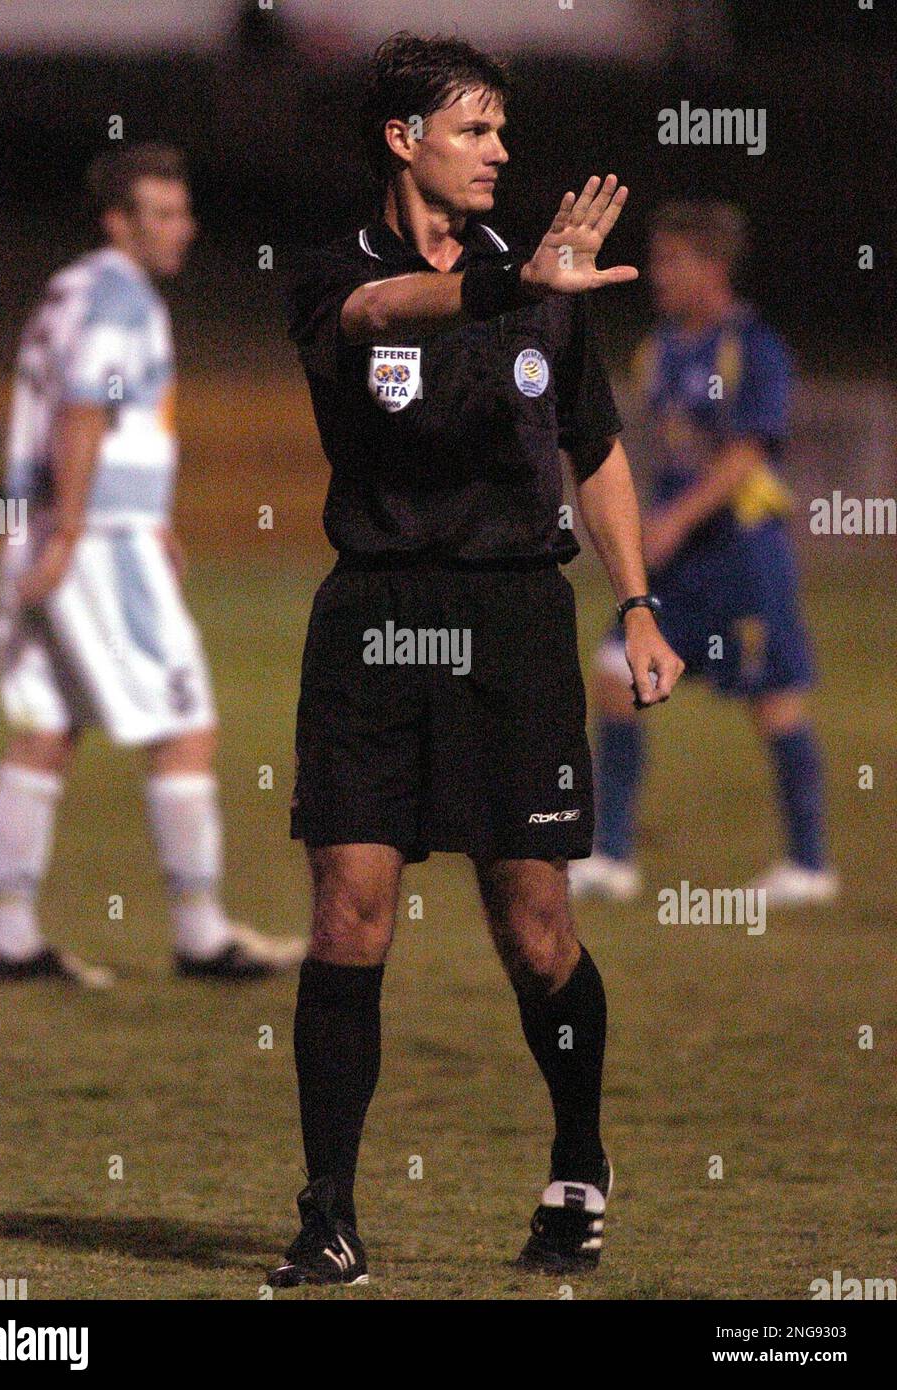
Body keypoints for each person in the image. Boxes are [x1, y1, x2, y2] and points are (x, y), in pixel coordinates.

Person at [269, 32, 683, 1286]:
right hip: (376, 623)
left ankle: (575, 1168)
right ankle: (329, 1214)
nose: (502, 150)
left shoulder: (544, 281)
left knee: (538, 931)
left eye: (504, 130)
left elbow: (594, 451)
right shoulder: (335, 266)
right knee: (347, 913)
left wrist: (639, 603)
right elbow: (386, 311)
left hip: (514, 625)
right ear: (405, 142)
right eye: (475, 130)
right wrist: (523, 288)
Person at [0, 142, 304, 986]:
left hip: (66, 530)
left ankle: (12, 936)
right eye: (159, 213)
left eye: (183, 209)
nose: (182, 228)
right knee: (184, 726)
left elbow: (84, 408)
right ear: (117, 222)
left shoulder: (71, 288)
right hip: (93, 544)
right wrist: (86, 528)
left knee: (46, 729)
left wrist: (122, 520)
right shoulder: (122, 296)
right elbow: (86, 407)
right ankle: (201, 934)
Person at [570, 202, 838, 906]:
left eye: (672, 261)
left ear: (712, 267)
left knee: (774, 701)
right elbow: (671, 451)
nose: (657, 275)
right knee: (613, 672)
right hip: (678, 558)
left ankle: (809, 867)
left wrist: (677, 517)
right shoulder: (658, 350)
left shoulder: (752, 347)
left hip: (743, 553)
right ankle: (613, 856)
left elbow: (750, 453)